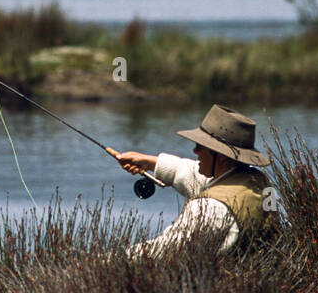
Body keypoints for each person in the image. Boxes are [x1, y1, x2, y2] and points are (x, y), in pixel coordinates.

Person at [107, 105, 276, 257]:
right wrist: (149, 161)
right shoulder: (257, 181)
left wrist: (107, 260)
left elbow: (166, 251)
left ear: (222, 157)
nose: (194, 150)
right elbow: (195, 174)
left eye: (200, 146)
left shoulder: (211, 207)